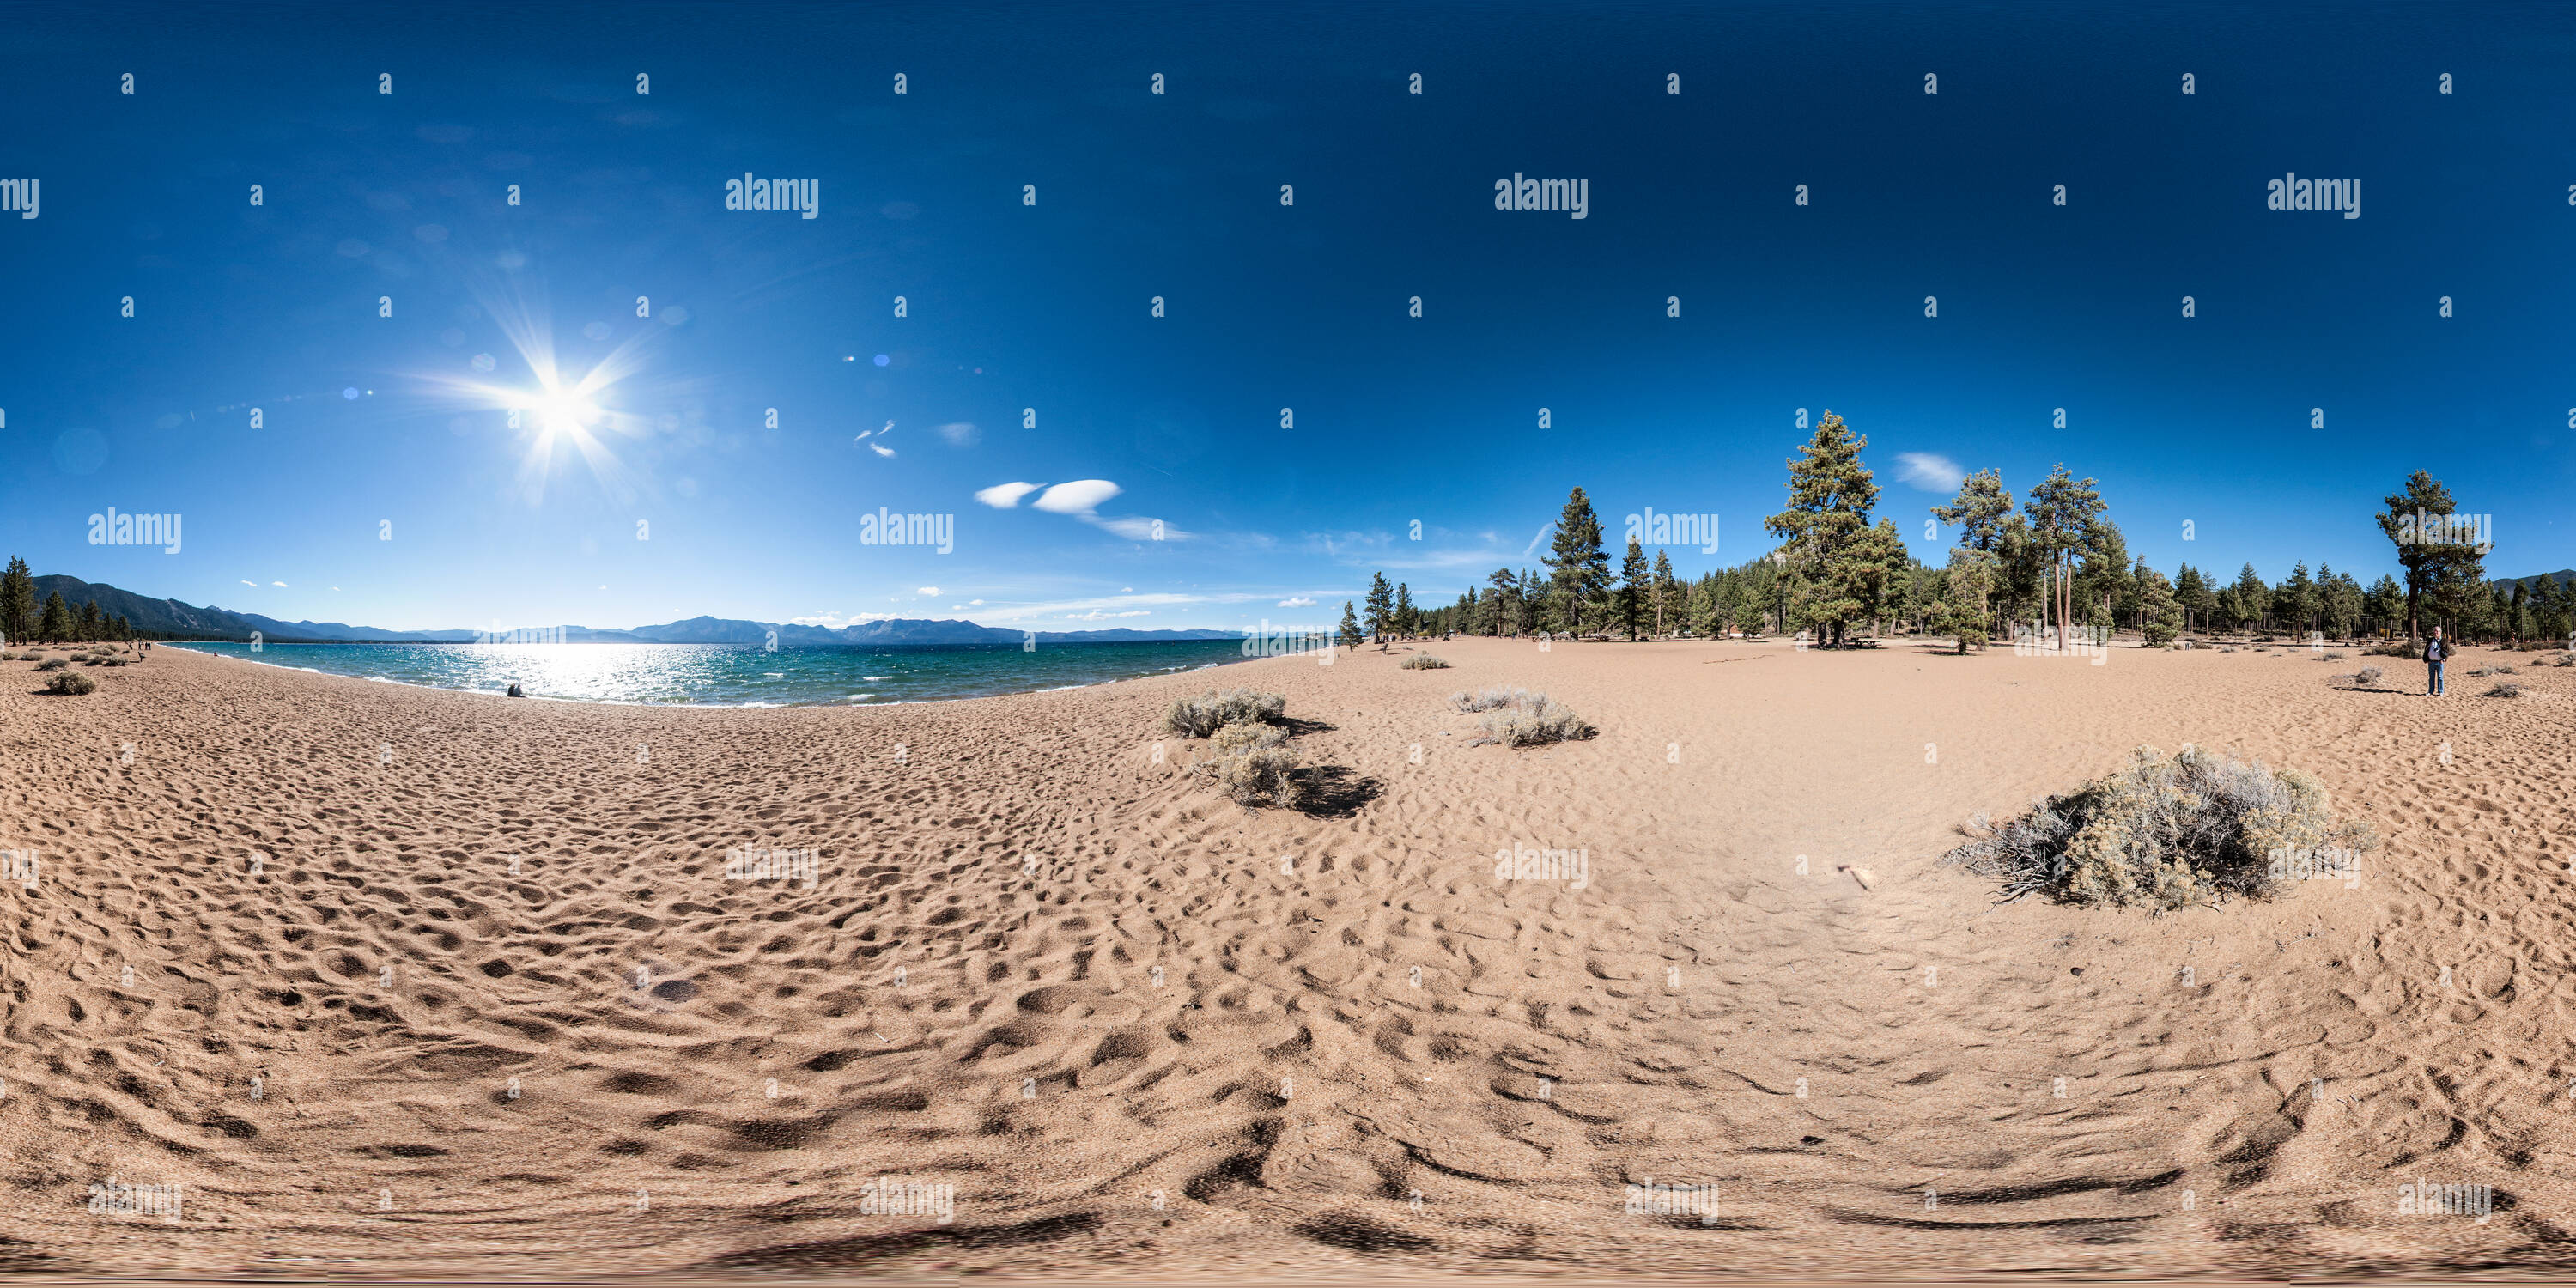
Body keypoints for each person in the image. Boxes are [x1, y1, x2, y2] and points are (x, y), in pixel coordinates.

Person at [2424, 626, 2448, 696]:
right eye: (2435, 631)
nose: (2436, 632)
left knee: (2440, 677)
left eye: (2437, 631)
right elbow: (2426, 650)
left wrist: (2444, 660)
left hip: (2440, 662)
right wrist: (2427, 659)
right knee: (2431, 677)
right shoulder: (2430, 640)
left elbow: (2447, 651)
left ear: (2440, 632)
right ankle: (2431, 691)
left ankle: (2440, 691)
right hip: (2431, 662)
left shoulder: (2444, 640)